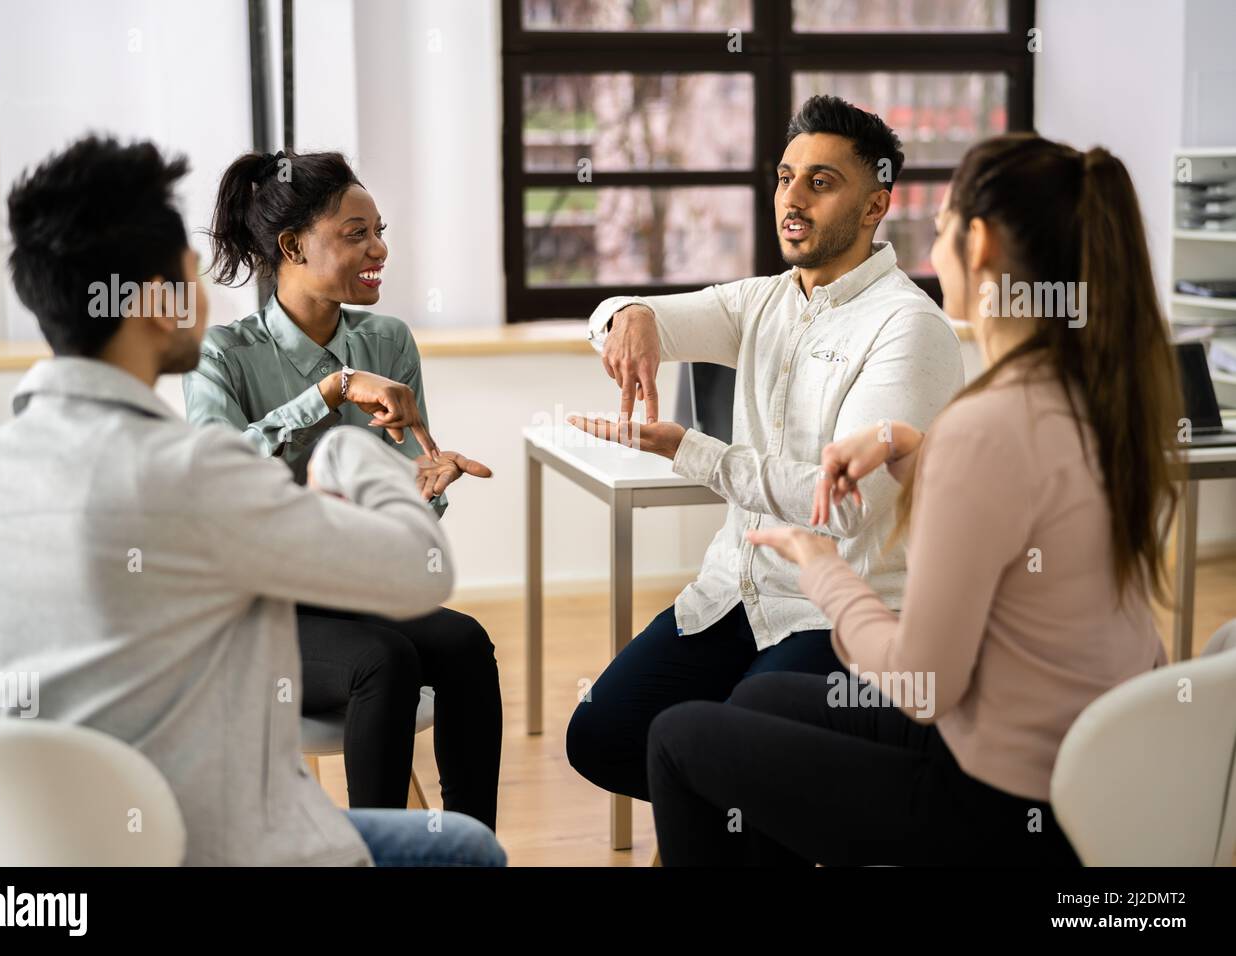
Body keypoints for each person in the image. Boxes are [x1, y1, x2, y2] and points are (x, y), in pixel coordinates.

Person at [0, 135, 504, 867]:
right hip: (222, 847)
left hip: (52, 859)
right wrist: (345, 445)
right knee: (460, 849)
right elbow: (419, 566)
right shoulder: (193, 465)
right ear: (160, 300)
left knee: (448, 649)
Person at [648, 134, 1179, 866]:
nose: (931, 242)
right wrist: (911, 446)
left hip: (999, 801)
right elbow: (1024, 491)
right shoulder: (1102, 400)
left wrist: (820, 569)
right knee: (759, 706)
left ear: (980, 241)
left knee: (677, 738)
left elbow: (921, 684)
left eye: (941, 225)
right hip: (1091, 759)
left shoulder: (982, 422)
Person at [564, 95, 964, 804]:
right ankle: (754, 820)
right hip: (733, 597)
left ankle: (758, 817)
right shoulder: (762, 302)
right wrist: (628, 316)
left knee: (736, 751)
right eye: (785, 177)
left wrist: (694, 452)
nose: (792, 198)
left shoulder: (910, 327)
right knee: (599, 732)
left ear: (875, 206)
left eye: (820, 181)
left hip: (837, 613)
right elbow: (608, 319)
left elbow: (841, 509)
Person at [183, 149, 501, 830]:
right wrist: (331, 390)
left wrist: (426, 488)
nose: (379, 248)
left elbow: (409, 494)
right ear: (293, 245)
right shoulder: (223, 356)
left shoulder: (388, 341)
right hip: (257, 608)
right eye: (356, 234)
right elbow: (218, 480)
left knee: (467, 645)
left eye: (378, 230)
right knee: (382, 662)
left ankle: (470, 848)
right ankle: (382, 854)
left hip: (355, 587)